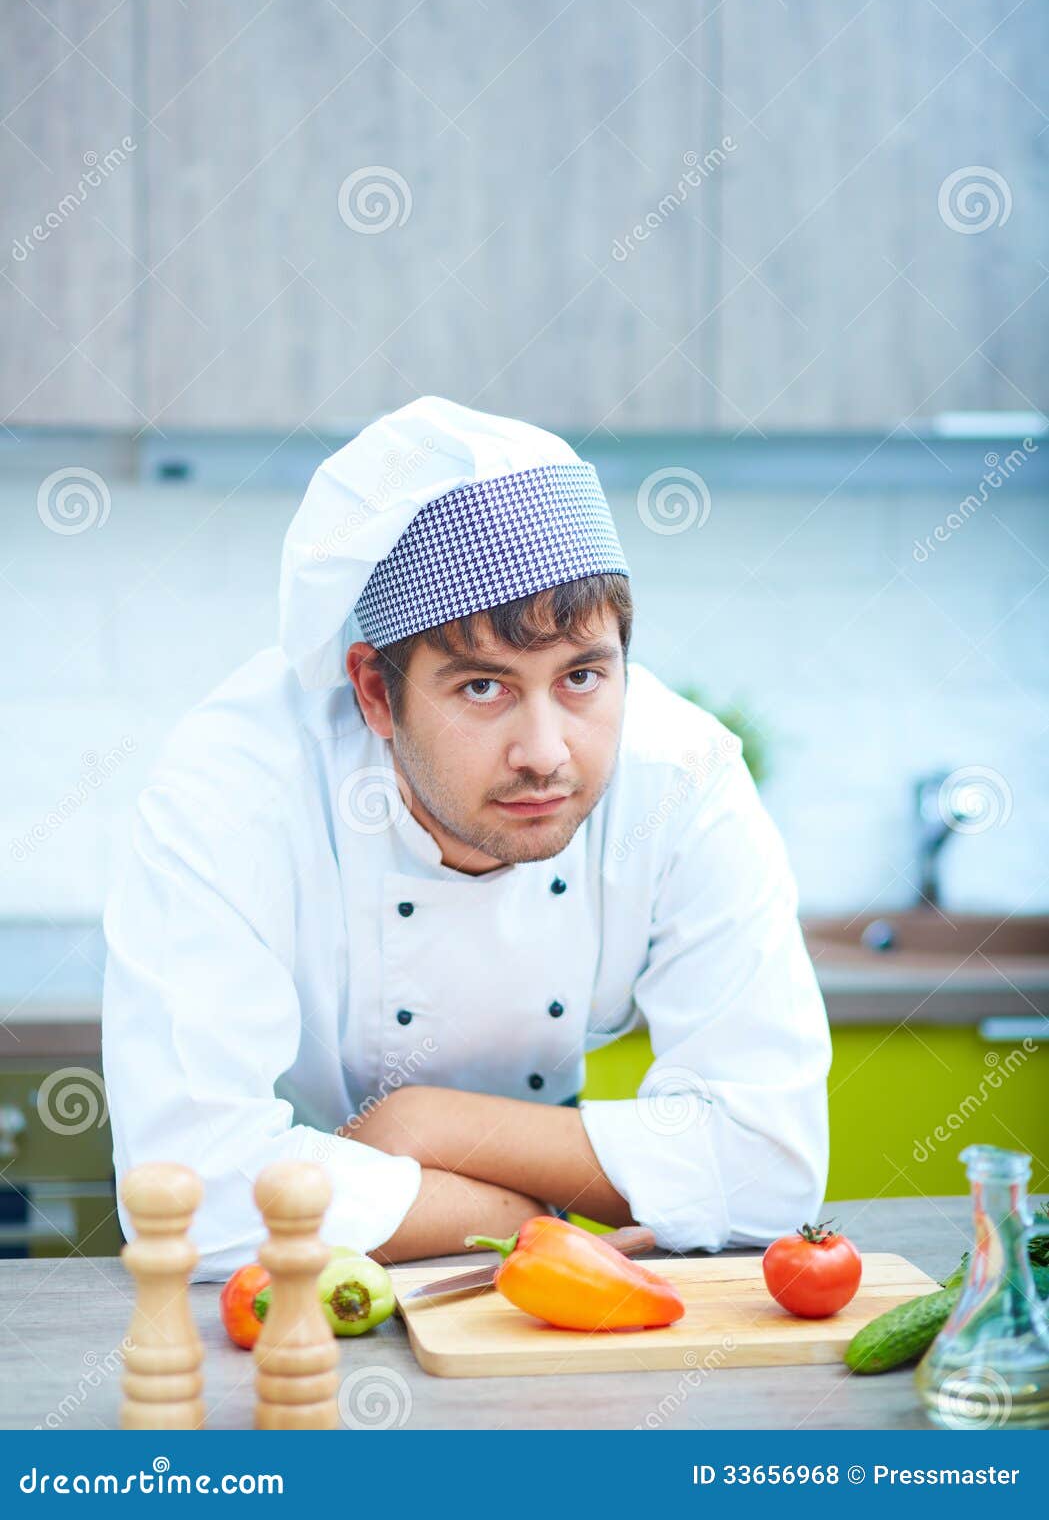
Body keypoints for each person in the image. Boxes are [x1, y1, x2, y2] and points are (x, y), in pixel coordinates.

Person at [102, 397, 831, 1277]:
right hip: (319, 1304)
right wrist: (524, 1226)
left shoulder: (681, 779)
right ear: (374, 691)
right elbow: (184, 1195)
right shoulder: (233, 792)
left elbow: (774, 1169)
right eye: (483, 687)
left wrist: (422, 1125)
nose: (545, 753)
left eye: (583, 677)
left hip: (496, 1281)